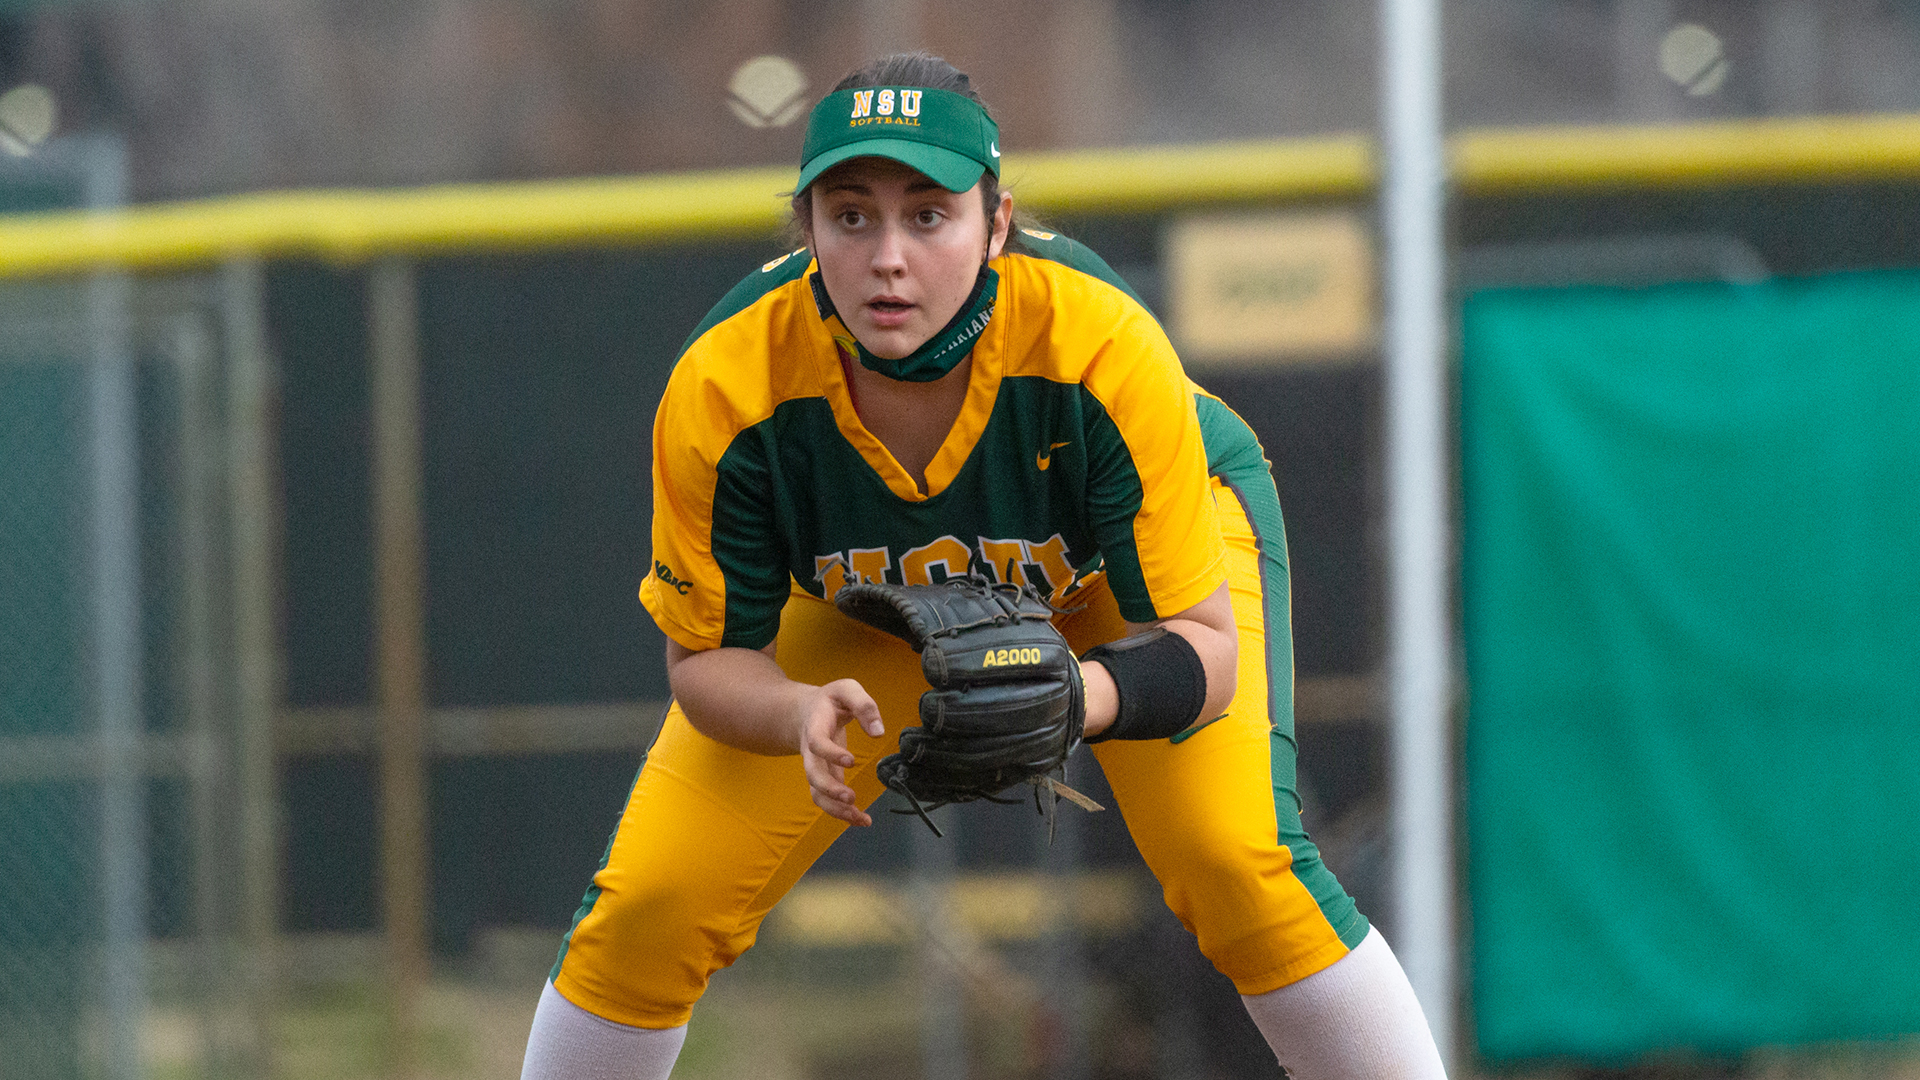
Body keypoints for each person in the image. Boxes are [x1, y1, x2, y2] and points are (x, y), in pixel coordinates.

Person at [520, 52, 1447, 1080]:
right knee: (652, 904)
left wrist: (1075, 697)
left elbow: (1204, 651)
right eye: (851, 214)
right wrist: (795, 713)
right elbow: (704, 664)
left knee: (1239, 863)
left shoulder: (1094, 343)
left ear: (997, 223)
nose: (887, 257)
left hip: (1117, 581)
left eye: (929, 214)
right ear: (807, 226)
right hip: (866, 617)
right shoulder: (730, 383)